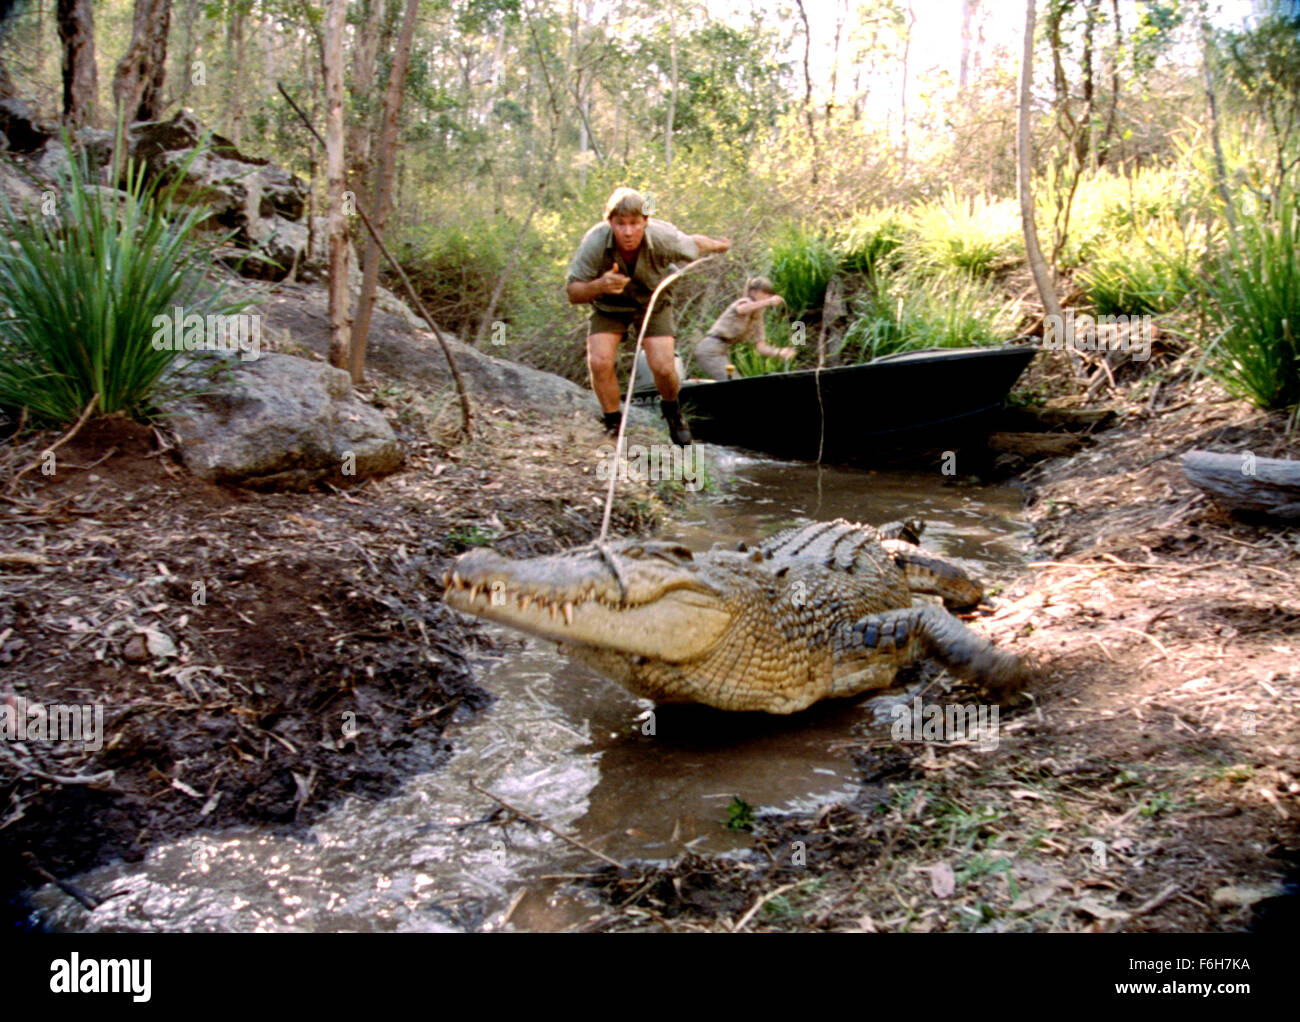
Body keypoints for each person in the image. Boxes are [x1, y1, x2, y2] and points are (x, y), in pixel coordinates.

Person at [566, 187, 730, 446]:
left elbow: (694, 244)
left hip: (654, 302)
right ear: (609, 223)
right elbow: (573, 292)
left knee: (664, 368)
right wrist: (600, 286)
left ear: (646, 221)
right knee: (599, 361)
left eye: (634, 223)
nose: (628, 232)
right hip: (609, 304)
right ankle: (612, 423)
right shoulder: (595, 242)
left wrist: (720, 245)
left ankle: (673, 412)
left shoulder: (663, 236)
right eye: (620, 224)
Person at [694, 276, 794, 381]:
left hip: (723, 351)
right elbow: (742, 309)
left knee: (736, 382)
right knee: (734, 383)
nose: (767, 296)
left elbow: (761, 347)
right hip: (710, 349)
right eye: (764, 293)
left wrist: (779, 352)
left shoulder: (758, 317)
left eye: (769, 294)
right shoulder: (744, 302)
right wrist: (768, 302)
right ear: (753, 292)